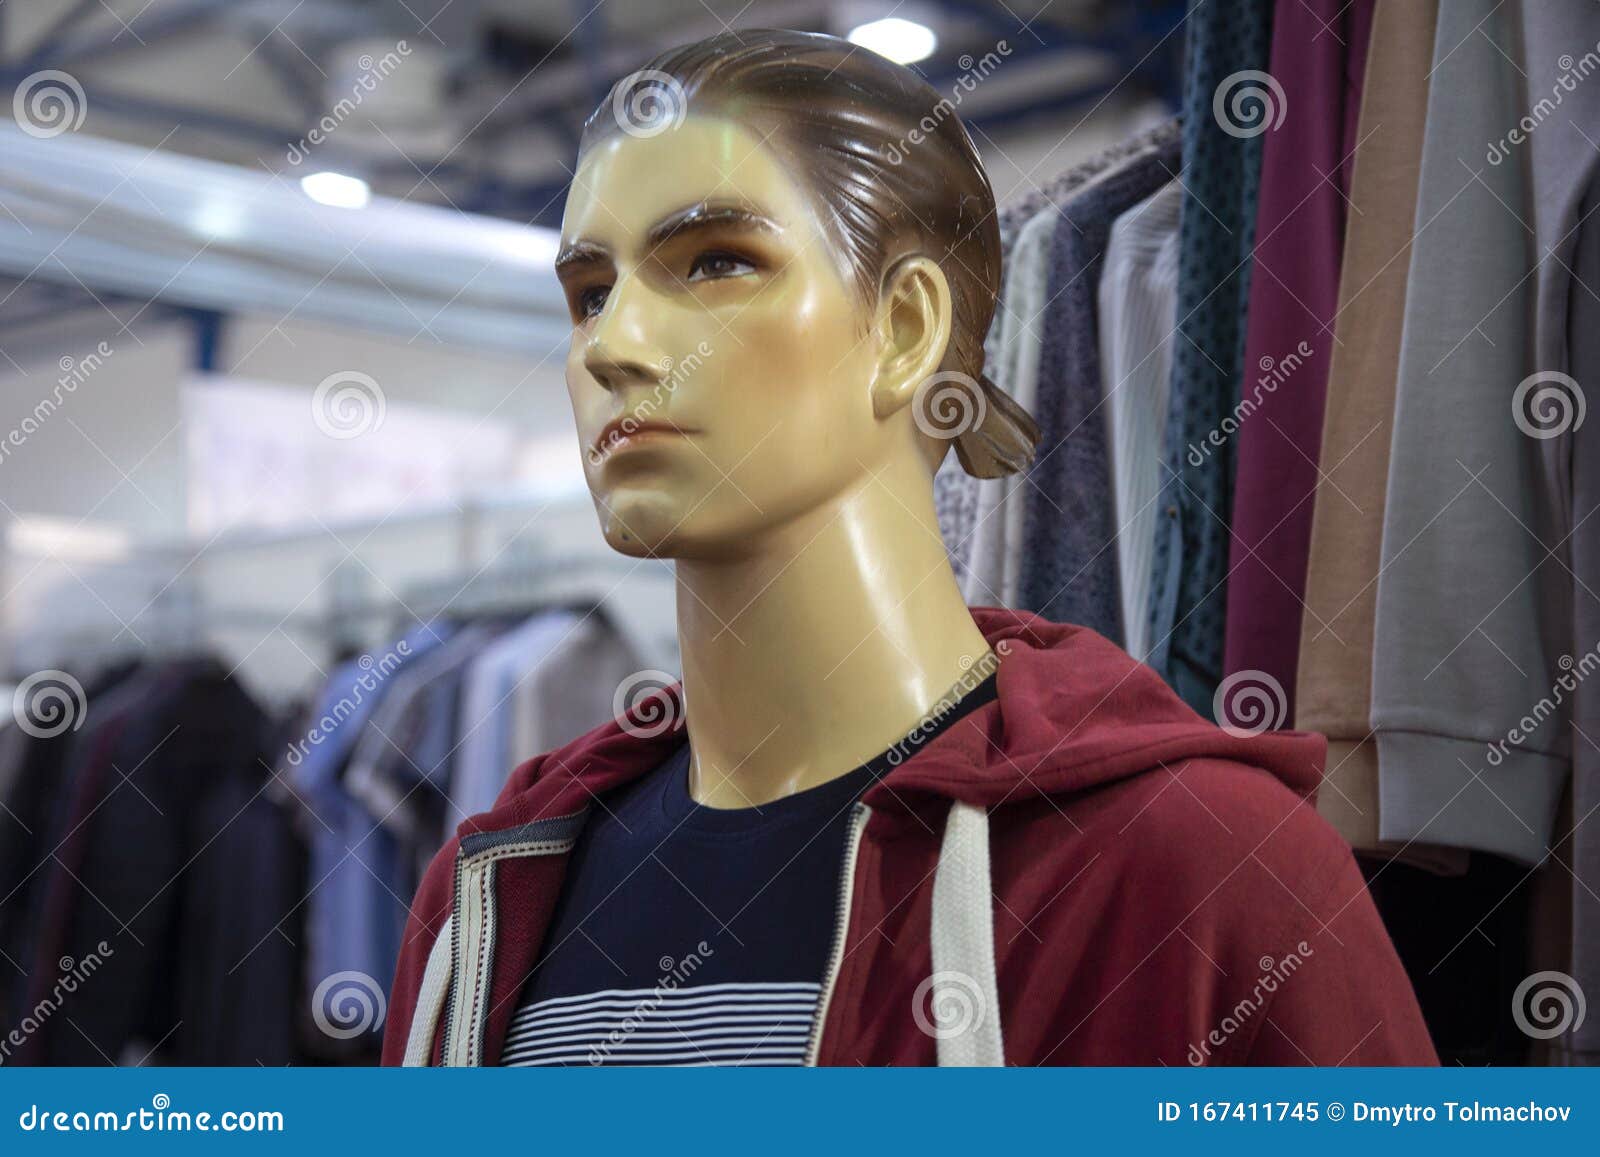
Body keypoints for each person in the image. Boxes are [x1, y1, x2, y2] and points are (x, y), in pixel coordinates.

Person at [383, 28, 1436, 1066]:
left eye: (714, 261)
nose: (611, 346)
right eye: (589, 293)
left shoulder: (1199, 872)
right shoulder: (487, 899)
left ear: (905, 329)